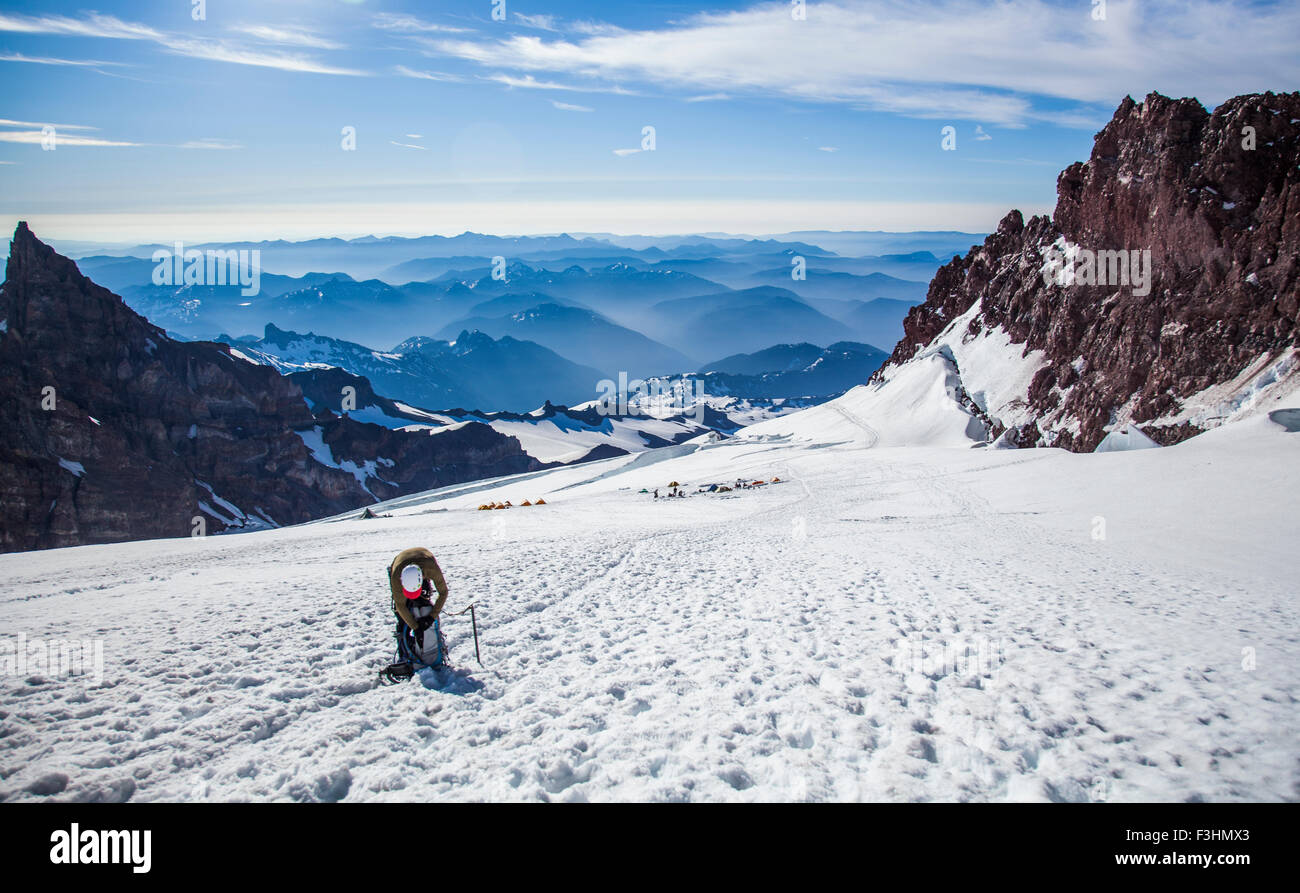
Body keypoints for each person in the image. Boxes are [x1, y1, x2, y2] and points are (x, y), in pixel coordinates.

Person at [384, 547, 450, 678]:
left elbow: (443, 593)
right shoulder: (396, 577)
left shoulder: (431, 569)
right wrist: (415, 627)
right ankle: (405, 652)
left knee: (423, 605)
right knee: (402, 617)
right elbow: (400, 605)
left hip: (424, 559)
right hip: (400, 562)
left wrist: (431, 617)